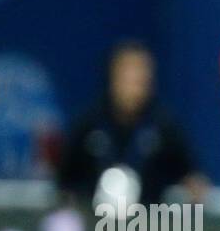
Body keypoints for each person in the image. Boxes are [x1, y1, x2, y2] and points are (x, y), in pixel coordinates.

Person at [57, 41, 204, 206]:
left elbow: (193, 180)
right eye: (129, 77)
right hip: (94, 224)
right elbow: (65, 183)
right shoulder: (89, 125)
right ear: (113, 77)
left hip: (149, 226)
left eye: (142, 78)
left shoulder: (164, 127)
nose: (136, 86)